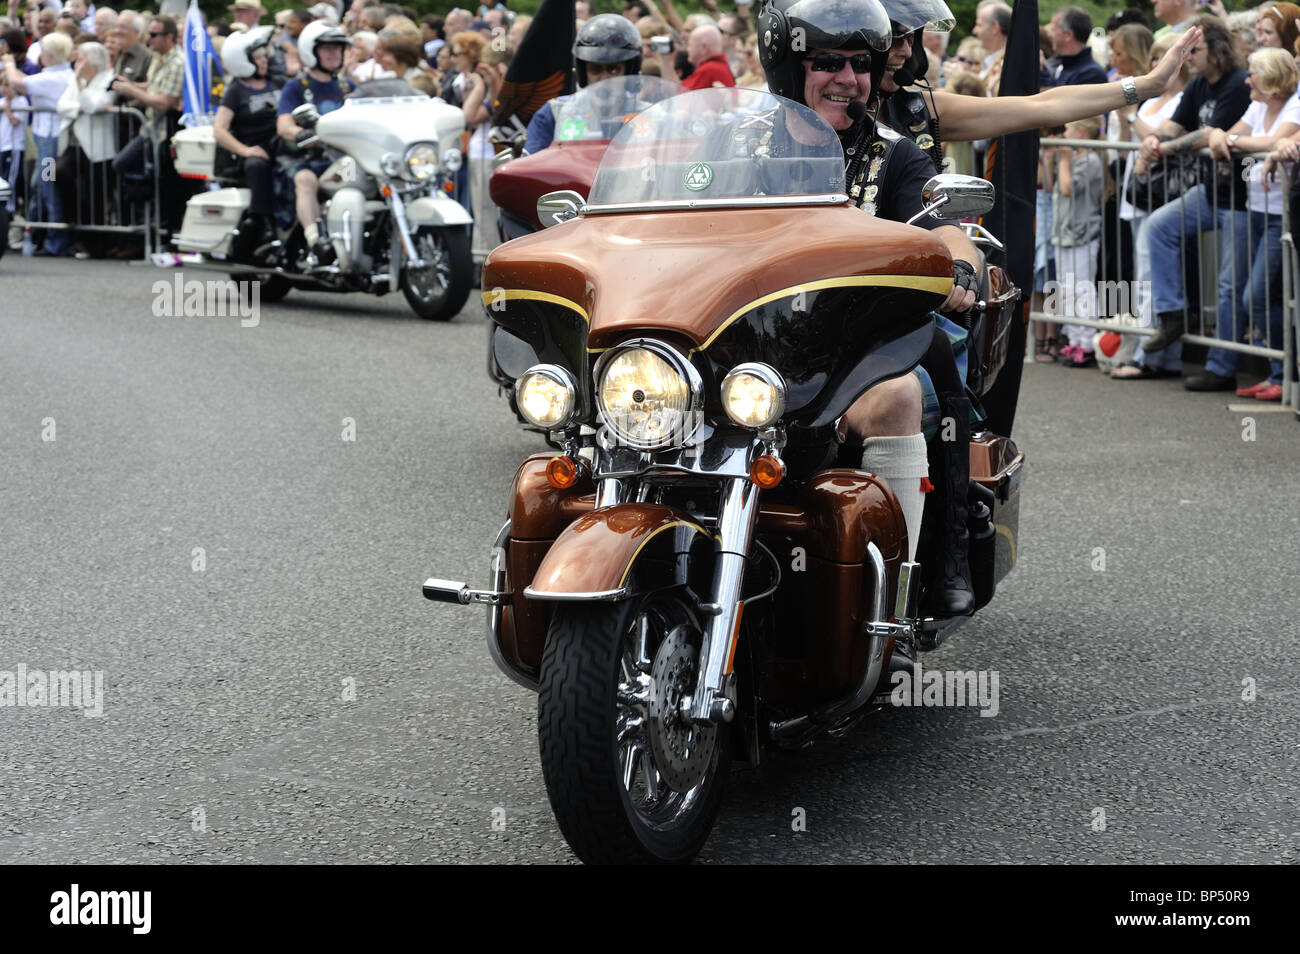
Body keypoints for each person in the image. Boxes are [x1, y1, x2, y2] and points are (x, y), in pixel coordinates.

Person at [758, 0, 982, 616]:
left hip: (854, 351)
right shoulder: (736, 146)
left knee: (902, 393)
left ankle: (898, 598)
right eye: (827, 62)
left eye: (861, 63)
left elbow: (945, 225)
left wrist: (959, 264)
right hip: (742, 343)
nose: (848, 78)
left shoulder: (895, 153)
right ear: (787, 68)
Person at [1137, 15, 1252, 364]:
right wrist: (1153, 141)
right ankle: (1173, 315)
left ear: (1216, 50)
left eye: (1194, 50)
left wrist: (1162, 148)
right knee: (1158, 226)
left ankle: (1222, 366)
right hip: (1209, 190)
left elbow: (1209, 134)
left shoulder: (1237, 83)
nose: (1188, 58)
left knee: (1229, 285)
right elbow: (1175, 125)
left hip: (1241, 199)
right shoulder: (1199, 84)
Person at [1193, 47, 1300, 396]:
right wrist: (1224, 136)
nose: (1247, 80)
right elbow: (1223, 134)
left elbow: (1273, 141)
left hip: (1277, 216)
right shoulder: (1257, 105)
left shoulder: (1294, 106)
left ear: (1271, 79)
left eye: (1254, 74)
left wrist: (1230, 139)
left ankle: (1287, 372)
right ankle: (1279, 372)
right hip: (1254, 210)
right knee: (1261, 295)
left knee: (1257, 295)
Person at [1111, 32, 1188, 380]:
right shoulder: (1151, 102)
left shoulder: (1182, 100)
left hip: (1161, 192)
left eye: (1163, 57)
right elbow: (1126, 144)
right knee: (1142, 274)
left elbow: (1156, 141)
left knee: (1152, 275)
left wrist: (1130, 117)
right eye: (1155, 58)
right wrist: (1127, 119)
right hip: (1137, 189)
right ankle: (1149, 351)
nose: (1157, 64)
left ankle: (1148, 354)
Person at [276, 18, 351, 259]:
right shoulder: (297, 86)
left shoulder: (347, 86)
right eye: (328, 48)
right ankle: (316, 241)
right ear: (311, 50)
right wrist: (301, 133)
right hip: (305, 157)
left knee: (359, 181)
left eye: (338, 48)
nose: (334, 54)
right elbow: (284, 125)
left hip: (341, 160)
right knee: (306, 180)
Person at [2, 30, 75, 256]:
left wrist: (8, 61)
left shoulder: (55, 76)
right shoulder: (57, 74)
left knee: (47, 186)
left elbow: (17, 82)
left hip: (50, 143)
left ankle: (56, 240)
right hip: (45, 139)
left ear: (50, 55)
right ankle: (39, 236)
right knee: (38, 186)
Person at [524, 14, 641, 154]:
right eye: (596, 69)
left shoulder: (651, 116)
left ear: (629, 72)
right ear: (582, 73)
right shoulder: (554, 113)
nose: (604, 78)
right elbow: (529, 166)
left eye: (613, 69)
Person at [213, 25, 281, 247]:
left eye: (264, 56)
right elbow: (219, 129)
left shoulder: (277, 81)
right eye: (258, 57)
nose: (263, 61)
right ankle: (262, 221)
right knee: (256, 165)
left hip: (283, 144)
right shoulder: (236, 91)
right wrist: (245, 150)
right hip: (256, 149)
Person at [1049, 116, 1106, 367]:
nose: (1064, 133)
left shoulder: (1090, 160)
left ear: (1081, 134)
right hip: (1063, 232)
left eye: (1069, 129)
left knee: (1082, 286)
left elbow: (1067, 188)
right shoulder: (1071, 160)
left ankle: (1086, 342)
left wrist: (1062, 159)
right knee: (1066, 287)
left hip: (1082, 234)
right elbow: (1053, 186)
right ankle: (1073, 338)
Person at [55, 38, 116, 258]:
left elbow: (94, 105)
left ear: (93, 63)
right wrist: (79, 107)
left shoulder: (108, 79)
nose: (77, 65)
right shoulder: (75, 78)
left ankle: (96, 245)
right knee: (55, 173)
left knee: (94, 195)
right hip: (73, 144)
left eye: (81, 60)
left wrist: (82, 89)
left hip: (97, 148)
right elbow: (61, 105)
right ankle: (74, 227)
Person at [1043, 6, 1108, 88]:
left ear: (1068, 35)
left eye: (1053, 29)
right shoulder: (1064, 66)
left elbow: (1058, 99)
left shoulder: (1091, 75)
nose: (1049, 35)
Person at [680, 23, 732, 89]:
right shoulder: (719, 65)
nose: (688, 49)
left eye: (690, 45)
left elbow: (680, 93)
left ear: (703, 48)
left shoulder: (708, 69)